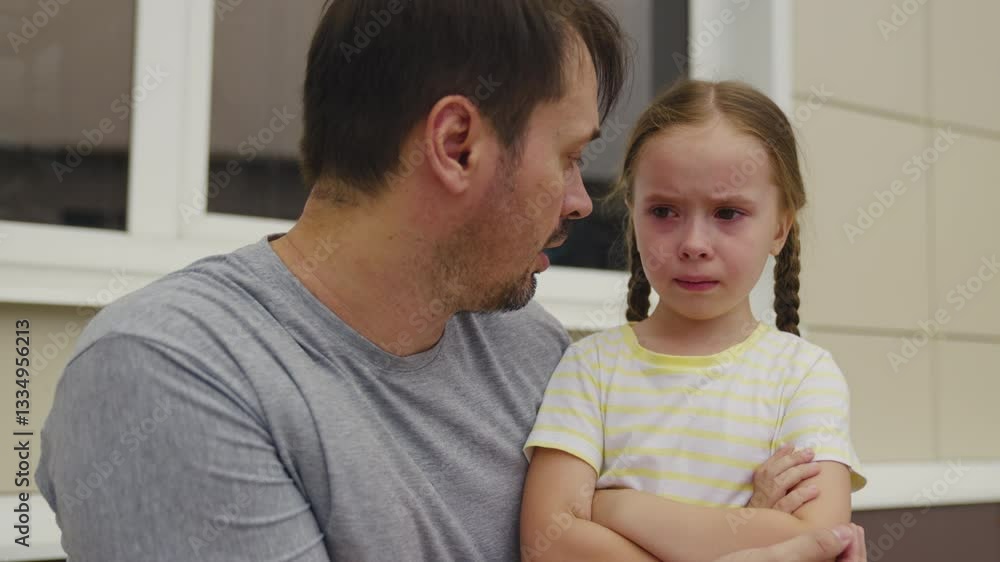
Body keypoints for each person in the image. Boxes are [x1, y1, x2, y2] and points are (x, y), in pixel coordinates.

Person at [36, 1, 866, 560]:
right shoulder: (169, 373)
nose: (583, 200)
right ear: (458, 144)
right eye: (572, 155)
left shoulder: (526, 345)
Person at [520, 79, 868, 561]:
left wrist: (617, 507)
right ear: (634, 215)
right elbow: (550, 542)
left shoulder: (804, 376)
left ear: (780, 228)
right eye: (664, 211)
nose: (694, 243)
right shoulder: (589, 368)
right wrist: (752, 524)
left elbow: (822, 541)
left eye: (728, 212)